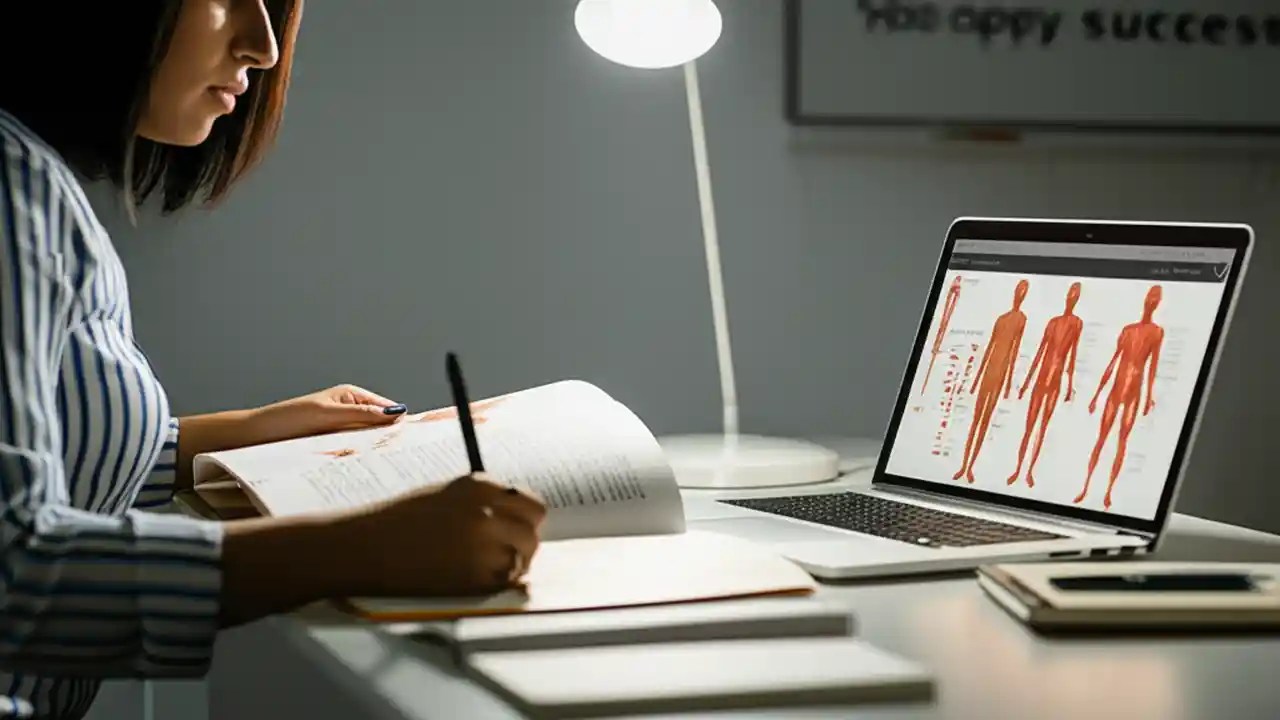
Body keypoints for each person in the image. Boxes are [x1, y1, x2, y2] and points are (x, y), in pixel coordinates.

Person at [0, 2, 547, 718]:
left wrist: (257, 430)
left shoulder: (34, 180)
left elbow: (64, 440)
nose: (262, 48)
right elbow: (14, 577)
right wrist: (366, 547)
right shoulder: (12, 189)